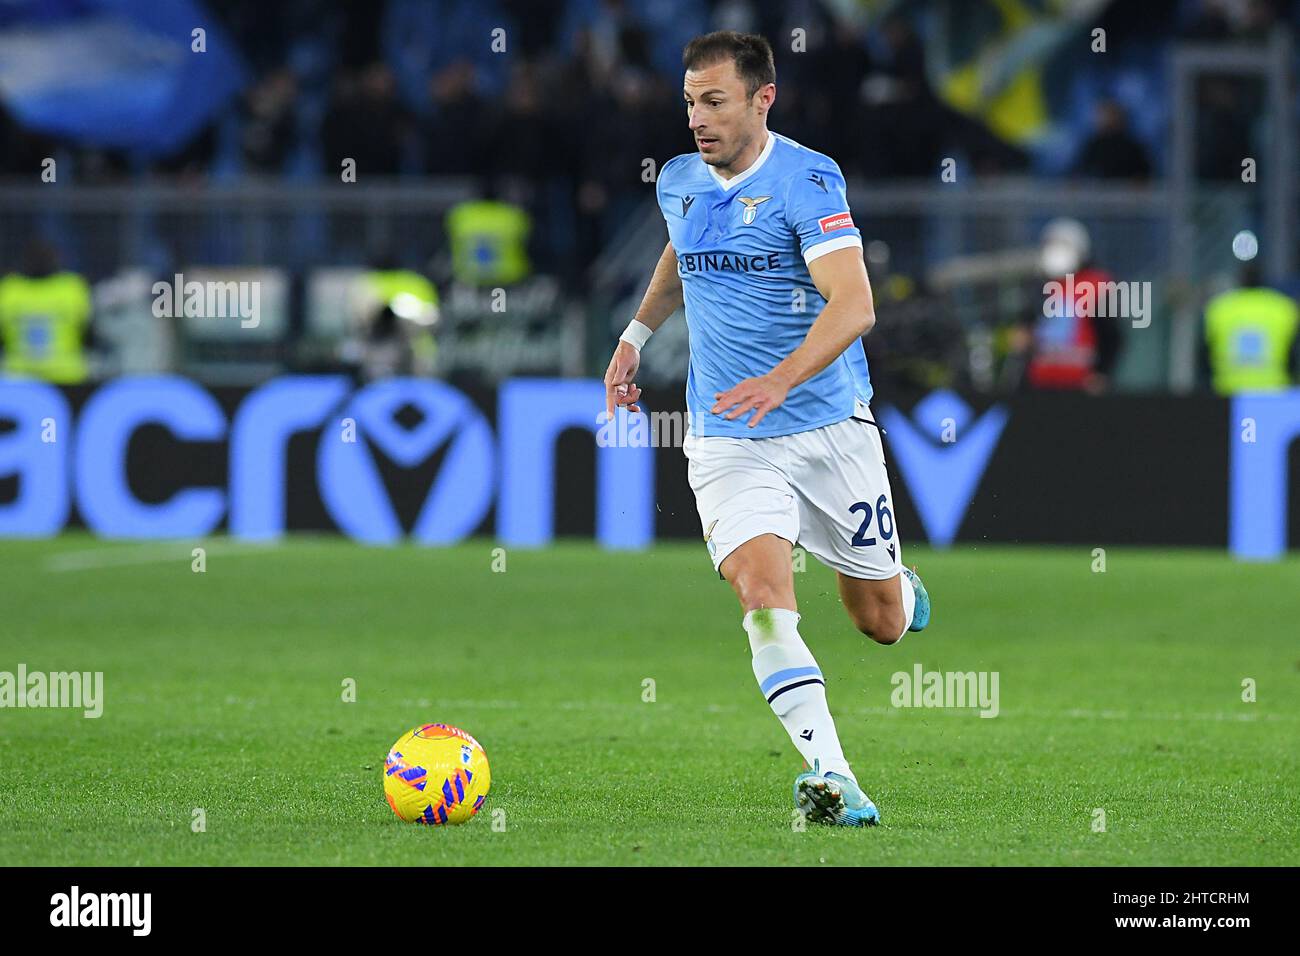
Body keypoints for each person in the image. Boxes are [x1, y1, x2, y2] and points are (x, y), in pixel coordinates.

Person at [602, 31, 930, 828]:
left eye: (714, 101)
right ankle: (834, 775)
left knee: (878, 622)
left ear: (762, 98)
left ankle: (901, 584)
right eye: (689, 102)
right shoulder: (679, 181)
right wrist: (633, 340)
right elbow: (681, 258)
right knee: (762, 595)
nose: (697, 119)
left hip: (826, 427)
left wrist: (780, 379)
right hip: (726, 435)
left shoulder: (807, 179)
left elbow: (855, 305)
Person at [1202, 263, 1299, 395]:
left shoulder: (1219, 307)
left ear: (1240, 280)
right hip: (1274, 391)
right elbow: (1293, 355)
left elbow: (1204, 356)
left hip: (1227, 392)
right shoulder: (1283, 307)